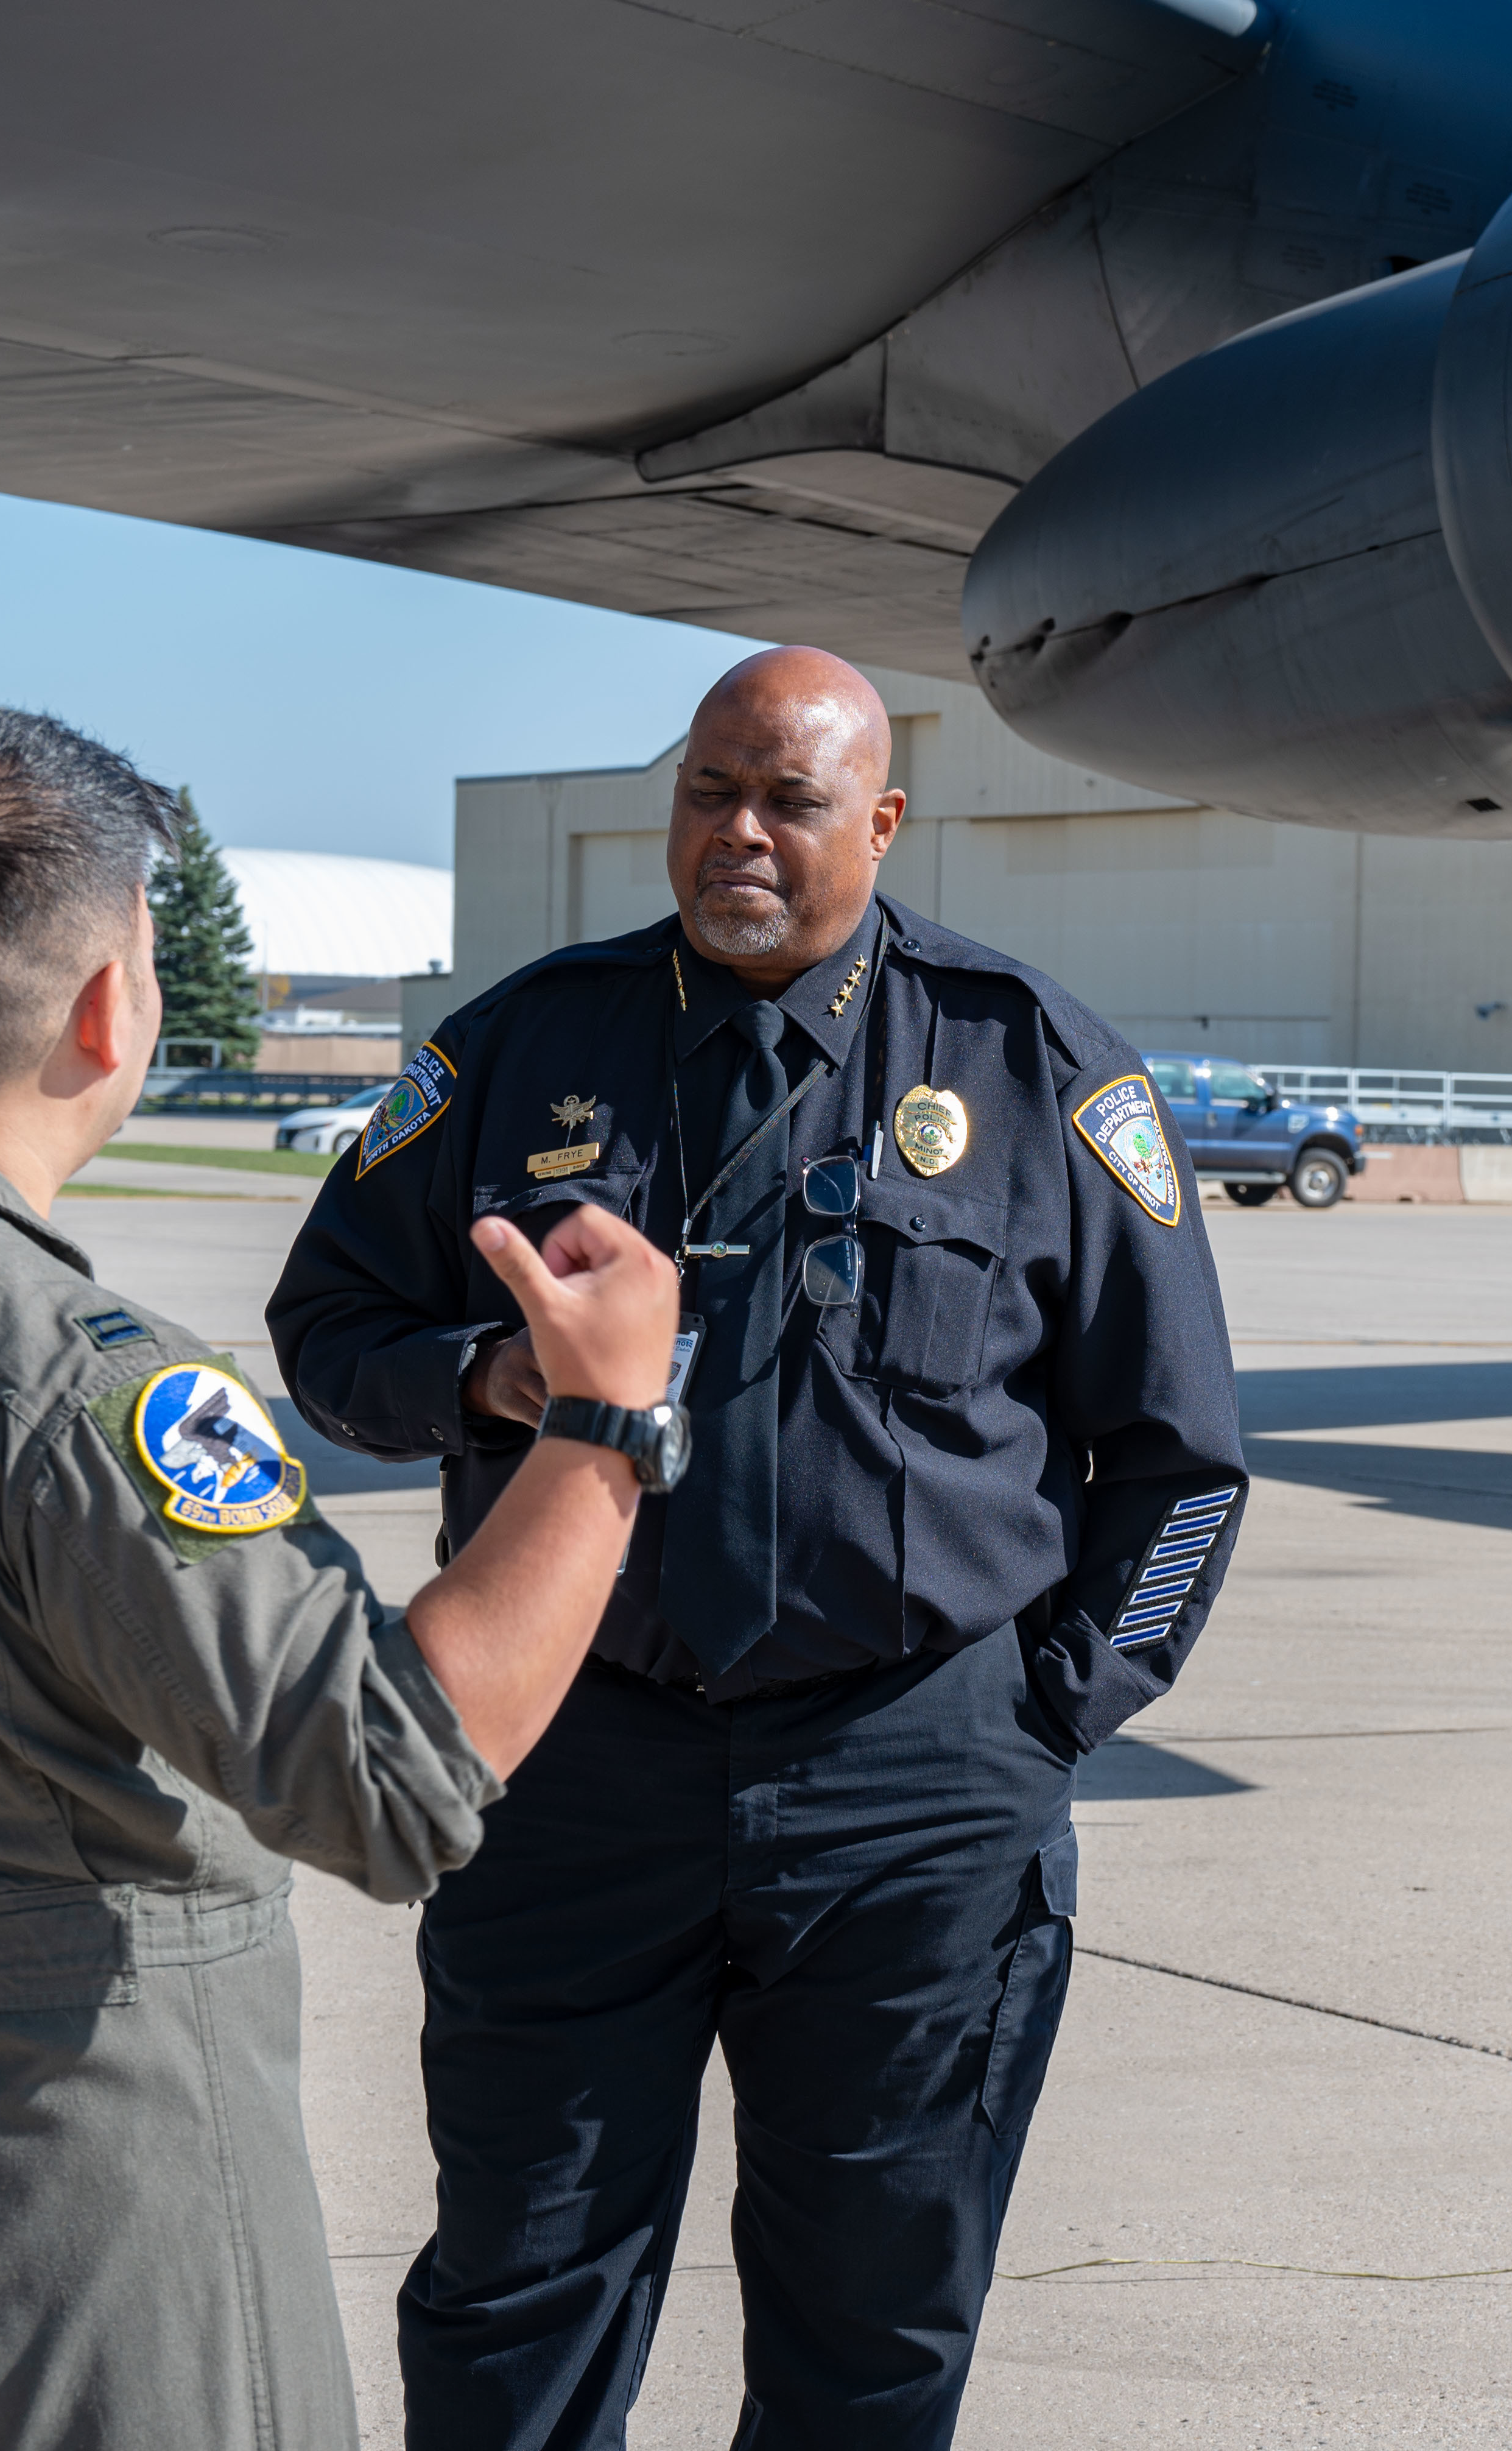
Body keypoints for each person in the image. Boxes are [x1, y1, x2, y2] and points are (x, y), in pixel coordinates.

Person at [0, 706, 688, 2447]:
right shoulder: (74, 1373)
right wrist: (607, 1424)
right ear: (114, 1003)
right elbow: (399, 1785)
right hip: (55, 2219)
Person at [269, 644, 1247, 2450]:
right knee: (515, 2295)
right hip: (576, 1765)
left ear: (877, 822)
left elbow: (1181, 1464)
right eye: (710, 790)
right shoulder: (518, 1046)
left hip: (915, 1787)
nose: (740, 833)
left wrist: (1049, 1715)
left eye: (790, 802)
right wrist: (494, 1376)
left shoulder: (1032, 1067)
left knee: (873, 2327)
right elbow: (328, 1332)